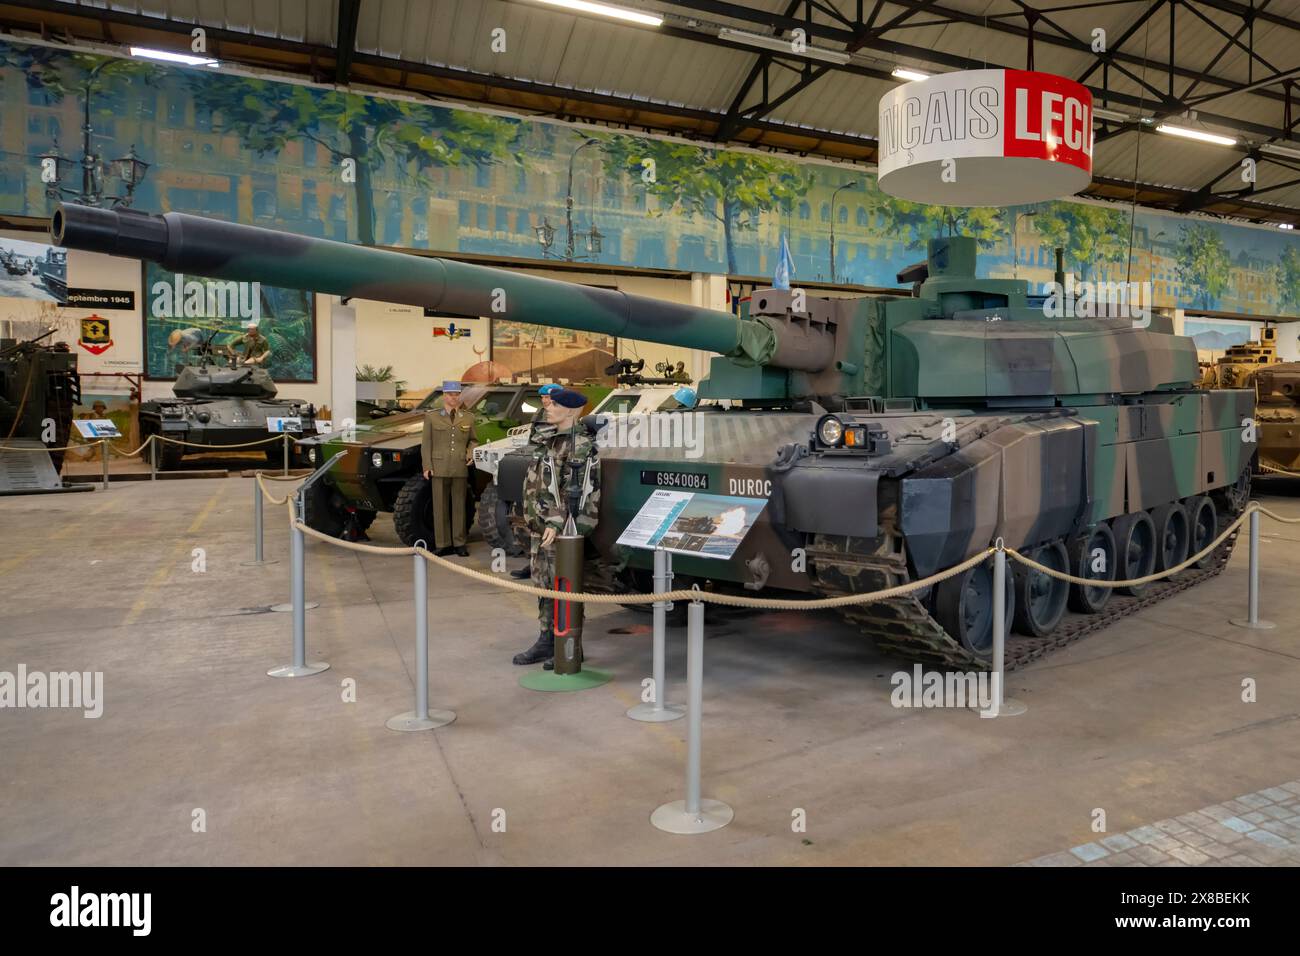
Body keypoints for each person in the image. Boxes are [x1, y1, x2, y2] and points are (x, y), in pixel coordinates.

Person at [512, 388, 600, 666]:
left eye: (556, 404)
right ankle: (546, 639)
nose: (548, 407)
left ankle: (570, 644)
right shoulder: (550, 440)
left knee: (565, 586)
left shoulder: (581, 446)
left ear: (572, 411)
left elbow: (580, 491)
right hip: (543, 528)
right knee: (544, 583)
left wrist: (556, 520)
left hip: (564, 528)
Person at [421, 381, 479, 557]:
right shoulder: (432, 417)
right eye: (450, 394)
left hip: (460, 466)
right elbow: (426, 444)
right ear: (444, 396)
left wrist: (470, 453)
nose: (453, 397)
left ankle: (459, 543)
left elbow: (474, 440)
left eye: (456, 394)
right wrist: (427, 466)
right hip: (438, 467)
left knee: (459, 507)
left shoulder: (468, 417)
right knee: (439, 507)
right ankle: (443, 543)